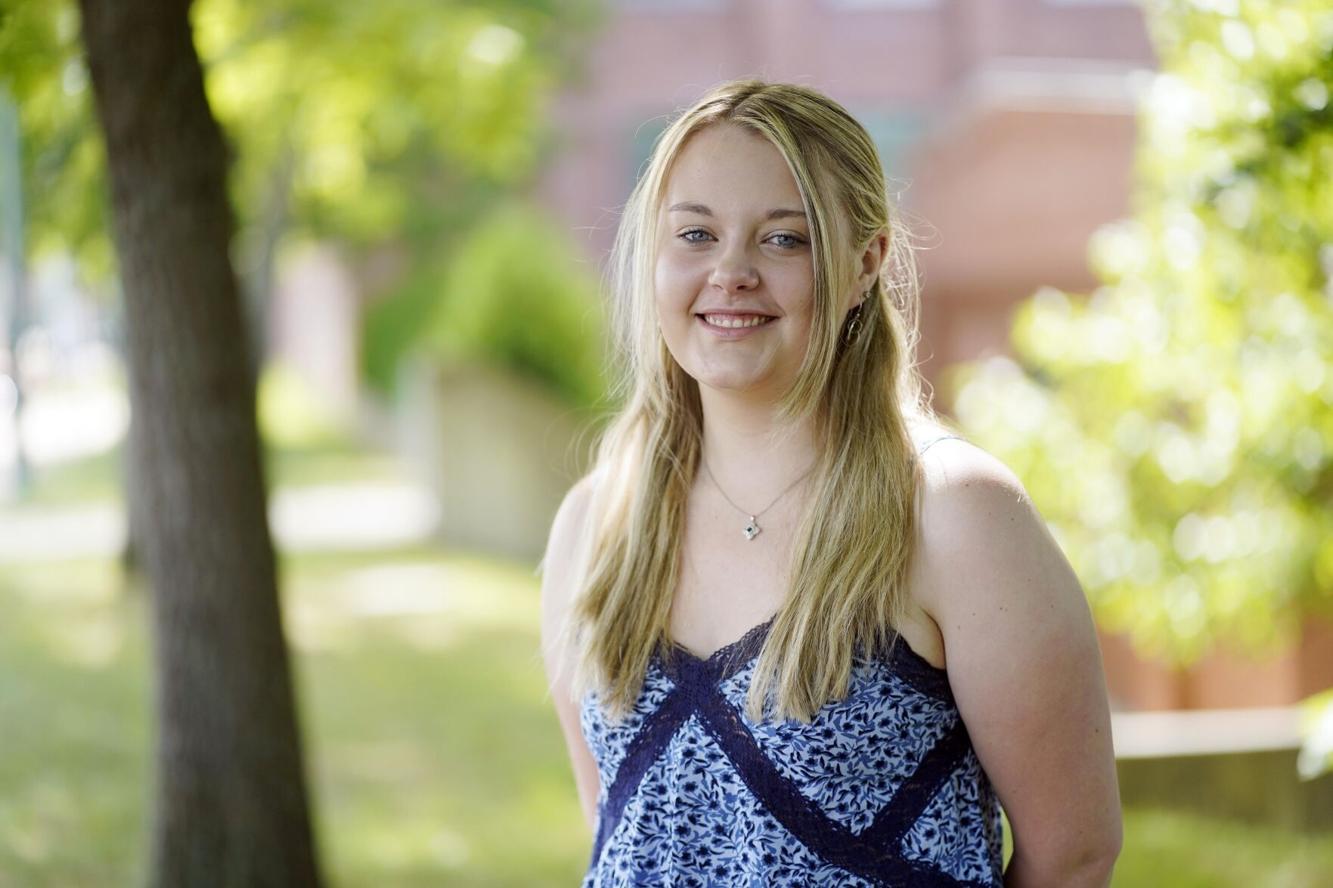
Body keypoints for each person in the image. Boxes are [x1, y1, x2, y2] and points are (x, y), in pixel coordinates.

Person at [539, 79, 1122, 887]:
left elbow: (1073, 855)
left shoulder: (954, 516)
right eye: (696, 234)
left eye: (784, 240)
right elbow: (620, 834)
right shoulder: (594, 523)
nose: (731, 272)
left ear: (864, 264)